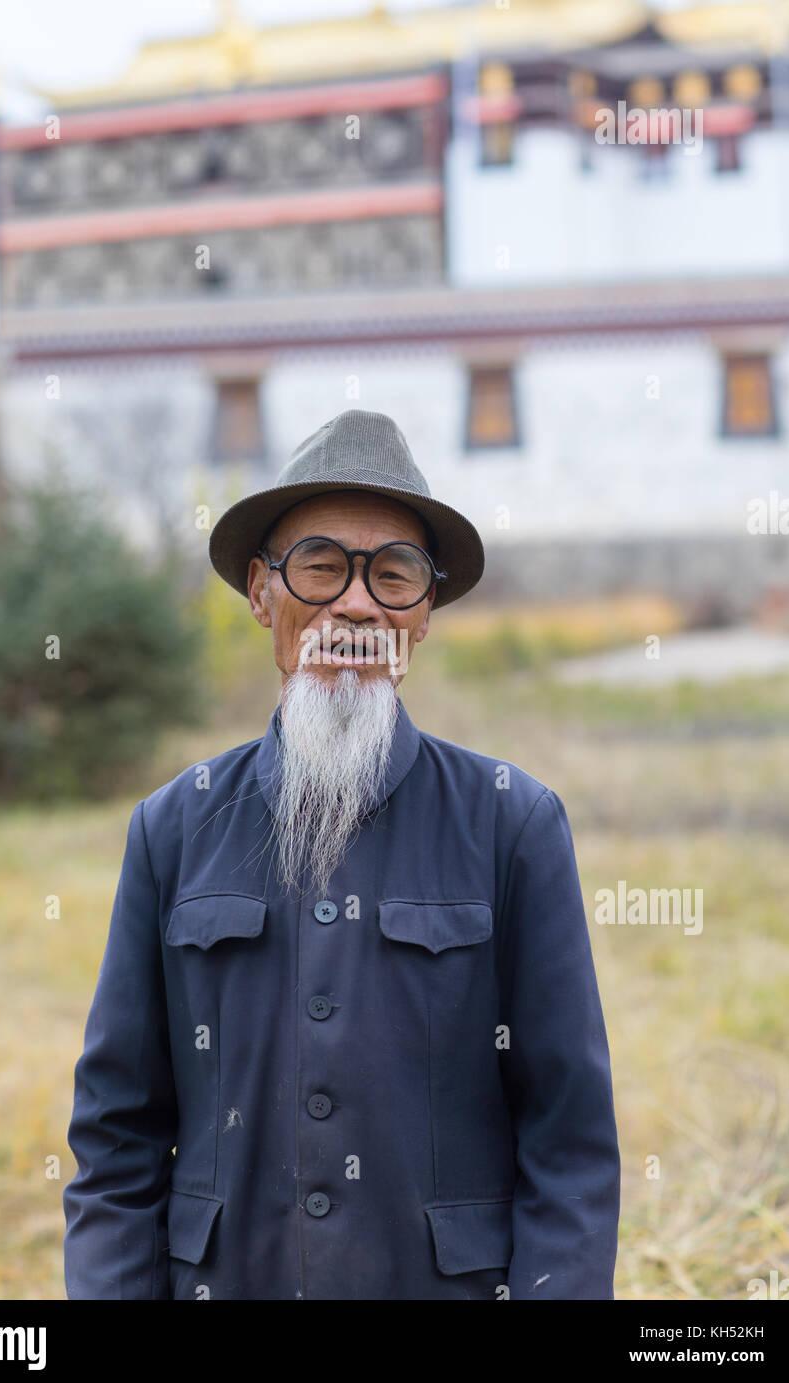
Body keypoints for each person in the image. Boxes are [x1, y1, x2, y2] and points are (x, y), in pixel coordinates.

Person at [62, 408, 620, 1300]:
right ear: (260, 592)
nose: (356, 602)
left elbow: (569, 1139)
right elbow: (117, 1136)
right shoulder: (172, 827)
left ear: (423, 612)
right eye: (320, 566)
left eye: (394, 575)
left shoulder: (510, 822)